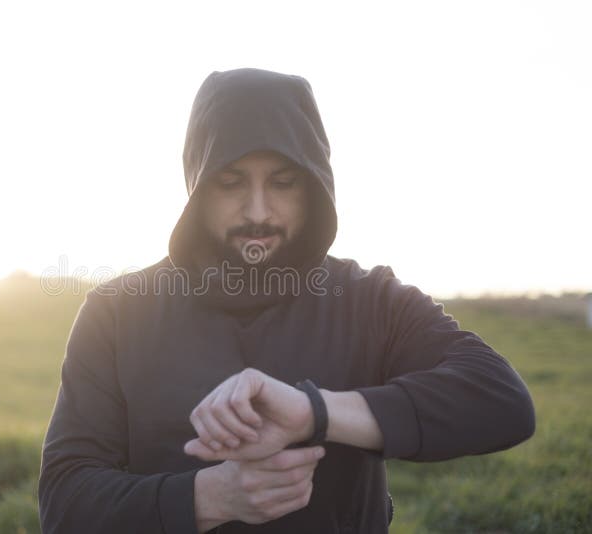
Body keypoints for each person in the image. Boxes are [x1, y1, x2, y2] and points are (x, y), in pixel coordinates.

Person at [37, 67, 536, 533]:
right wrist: (208, 496)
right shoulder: (118, 312)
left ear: (315, 186)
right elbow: (64, 501)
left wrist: (315, 412)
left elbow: (501, 400)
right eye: (230, 181)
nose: (258, 210)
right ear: (196, 186)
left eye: (283, 182)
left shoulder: (368, 299)